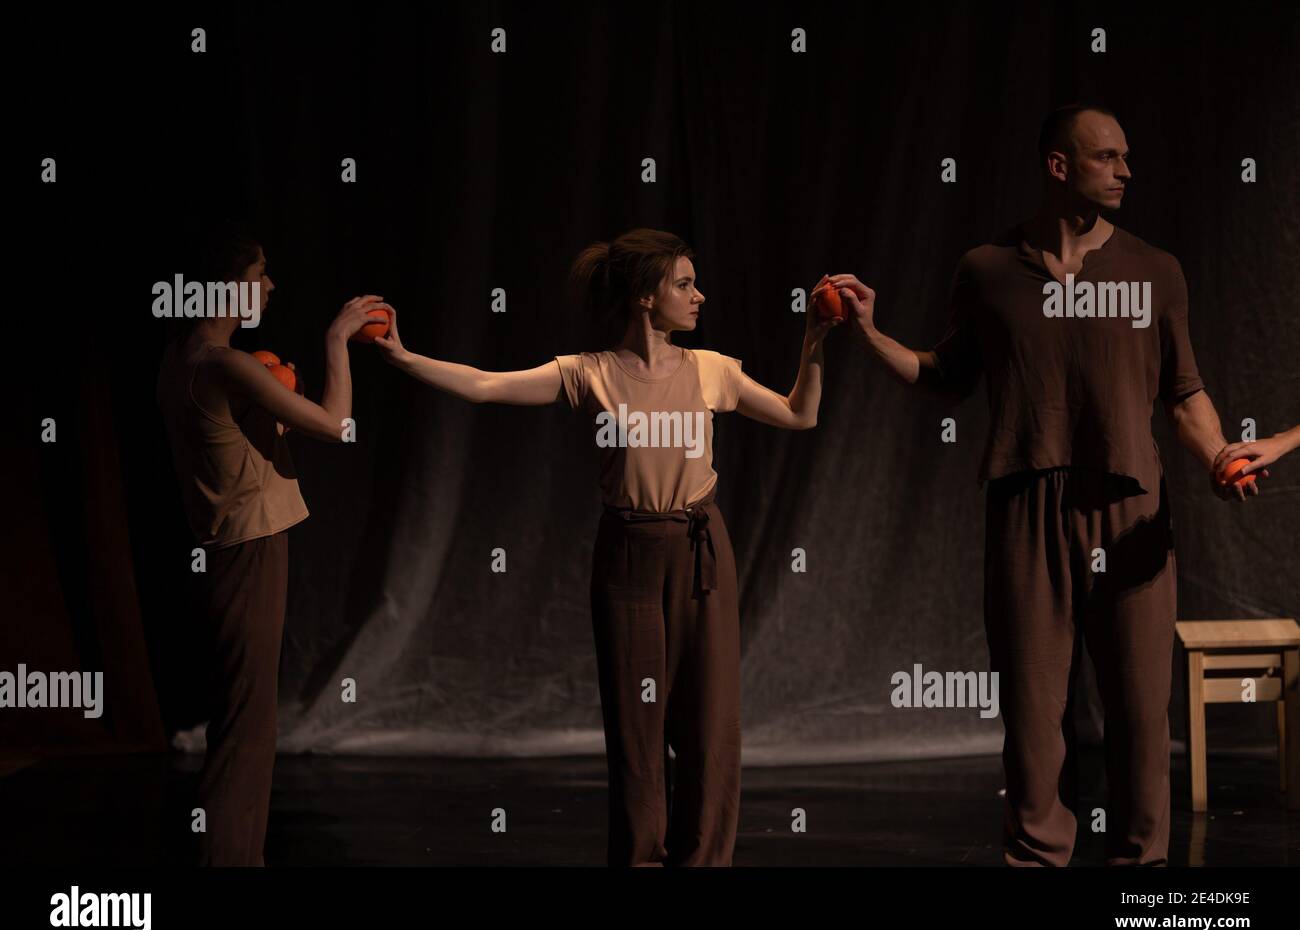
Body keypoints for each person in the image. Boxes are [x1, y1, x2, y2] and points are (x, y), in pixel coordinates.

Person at [830, 105, 1263, 866]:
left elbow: (1184, 392)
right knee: (1032, 719)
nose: (1126, 171)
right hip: (1026, 507)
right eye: (1108, 157)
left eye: (1127, 157)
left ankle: (1143, 876)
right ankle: (1036, 856)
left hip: (1130, 510)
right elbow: (944, 375)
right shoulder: (989, 269)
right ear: (1059, 167)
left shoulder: (1156, 270)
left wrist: (1221, 456)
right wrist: (868, 332)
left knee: (1137, 717)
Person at [372, 227, 839, 865]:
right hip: (629, 558)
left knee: (708, 727)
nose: (699, 295)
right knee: (636, 731)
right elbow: (485, 384)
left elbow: (799, 415)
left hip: (701, 553)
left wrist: (814, 340)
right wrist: (403, 358)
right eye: (683, 283)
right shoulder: (590, 374)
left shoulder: (712, 370)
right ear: (646, 297)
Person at [156, 225, 391, 865]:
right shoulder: (224, 365)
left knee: (245, 716)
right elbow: (337, 426)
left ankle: (239, 856)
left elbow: (228, 443)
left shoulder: (183, 360)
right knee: (247, 724)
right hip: (249, 546)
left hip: (227, 547)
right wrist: (337, 340)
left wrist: (269, 405)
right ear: (230, 285)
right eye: (260, 274)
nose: (270, 285)